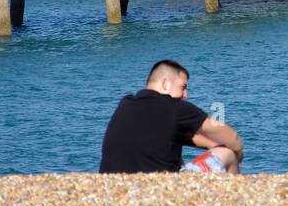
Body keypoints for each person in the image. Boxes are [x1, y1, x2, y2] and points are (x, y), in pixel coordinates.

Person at [100, 60, 244, 174]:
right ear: (165, 83)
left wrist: (211, 145)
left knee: (172, 147)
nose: (185, 95)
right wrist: (237, 153)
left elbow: (174, 136)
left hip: (114, 187)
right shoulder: (176, 107)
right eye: (183, 87)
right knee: (227, 154)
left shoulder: (126, 103)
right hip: (160, 188)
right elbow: (232, 136)